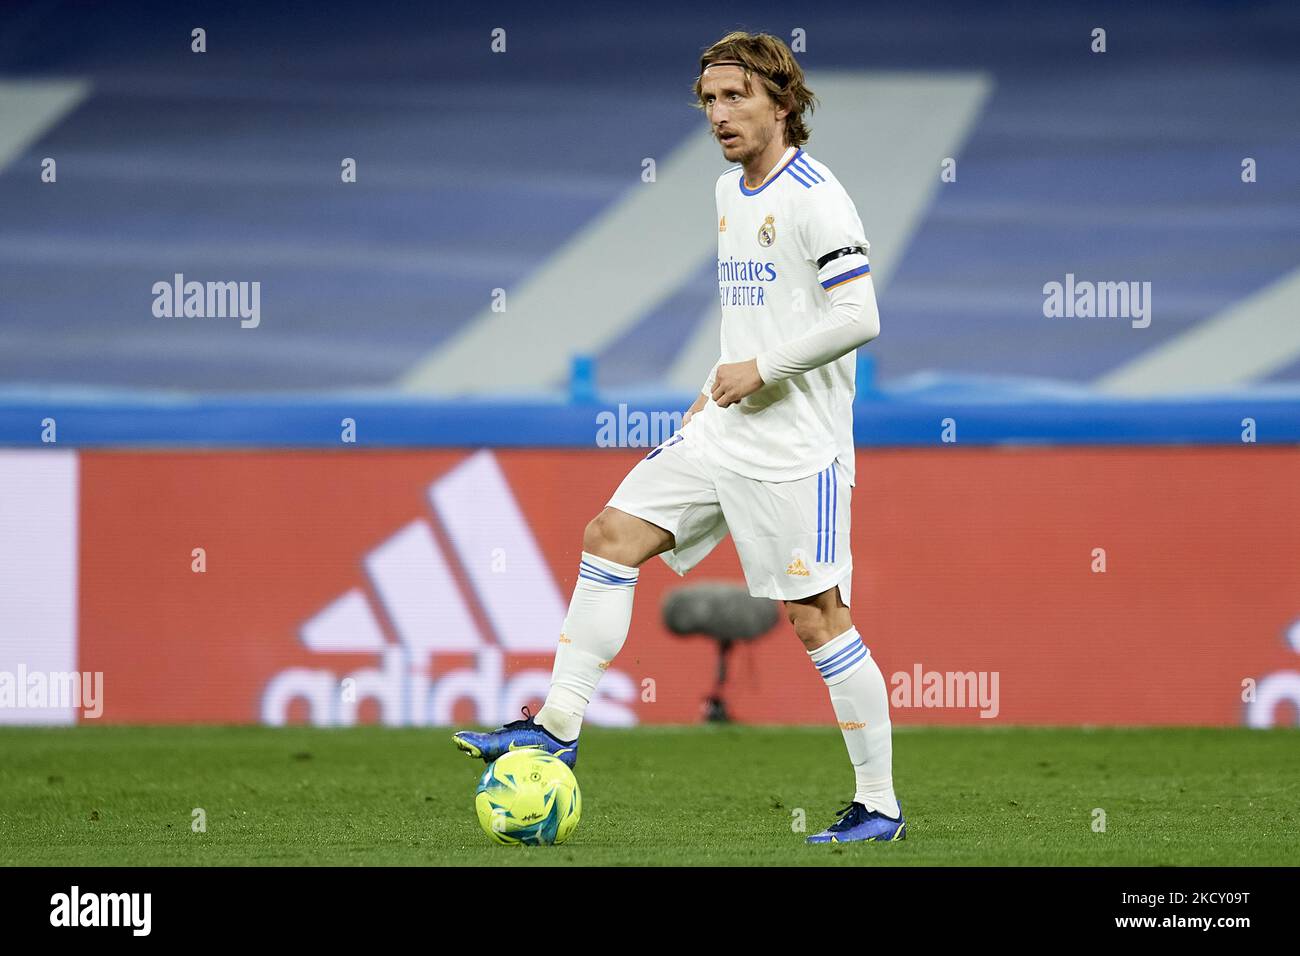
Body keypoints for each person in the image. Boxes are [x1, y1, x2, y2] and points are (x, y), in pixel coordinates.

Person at [454, 31, 903, 844]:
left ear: (782, 100)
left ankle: (880, 807)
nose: (719, 115)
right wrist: (710, 391)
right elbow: (749, 314)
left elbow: (859, 316)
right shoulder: (733, 192)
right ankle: (557, 727)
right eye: (708, 101)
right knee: (610, 537)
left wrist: (761, 369)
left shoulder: (817, 197)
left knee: (818, 621)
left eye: (735, 97)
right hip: (726, 430)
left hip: (798, 452)